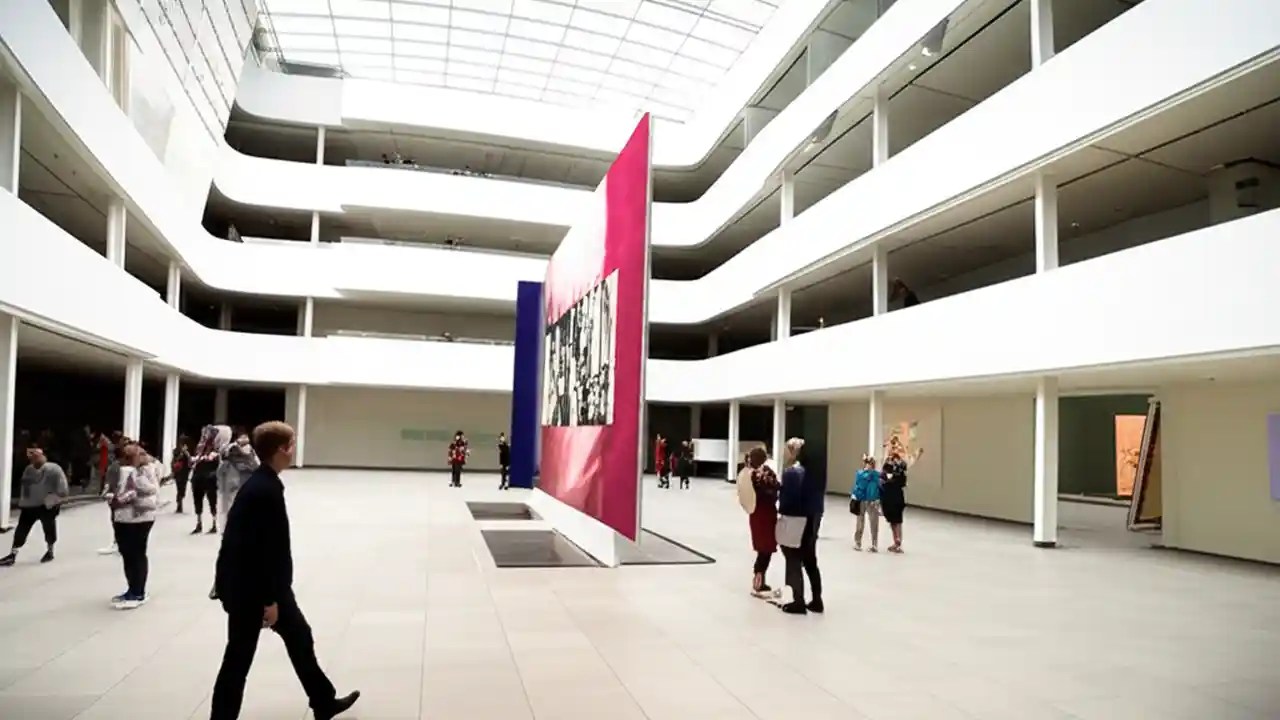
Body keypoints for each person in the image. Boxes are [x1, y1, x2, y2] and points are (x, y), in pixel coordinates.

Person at [210, 421, 360, 720]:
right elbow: (264, 550)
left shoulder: (262, 483)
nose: (294, 449)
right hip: (255, 589)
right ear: (282, 449)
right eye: (291, 444)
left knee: (298, 637)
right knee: (239, 658)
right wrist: (270, 600)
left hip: (251, 585)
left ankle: (323, 701)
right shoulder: (264, 490)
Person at [108, 443, 158, 609]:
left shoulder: (147, 470)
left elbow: (149, 489)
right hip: (123, 517)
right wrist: (112, 495)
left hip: (140, 518)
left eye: (131, 456)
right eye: (125, 455)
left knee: (136, 554)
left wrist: (133, 479)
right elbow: (113, 488)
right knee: (127, 554)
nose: (127, 459)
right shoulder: (122, 469)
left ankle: (138, 592)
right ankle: (132, 589)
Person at [776, 437, 823, 614]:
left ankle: (798, 600)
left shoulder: (792, 473)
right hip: (814, 516)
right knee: (810, 560)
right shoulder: (815, 473)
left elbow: (787, 501)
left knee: (793, 557)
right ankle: (817, 599)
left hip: (797, 519)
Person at [0, 447, 69, 566]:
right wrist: (23, 502)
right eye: (32, 458)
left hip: (47, 505)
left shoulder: (54, 469)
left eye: (37, 457)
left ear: (43, 457)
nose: (35, 460)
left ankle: (50, 550)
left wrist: (52, 502)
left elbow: (63, 489)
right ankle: (13, 554)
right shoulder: (29, 469)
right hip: (30, 505)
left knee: (49, 528)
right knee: (22, 529)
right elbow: (25, 487)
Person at [742, 446, 779, 597]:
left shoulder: (748, 474)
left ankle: (759, 578)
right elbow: (776, 488)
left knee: (762, 547)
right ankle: (759, 580)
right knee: (766, 548)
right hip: (767, 513)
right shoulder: (765, 473)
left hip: (755, 514)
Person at [881, 442, 919, 554]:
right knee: (895, 520)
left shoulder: (897, 464)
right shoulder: (894, 463)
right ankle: (896, 541)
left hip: (893, 494)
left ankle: (897, 541)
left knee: (896, 520)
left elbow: (908, 462)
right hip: (892, 494)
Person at [192, 425, 231, 535]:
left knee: (212, 500)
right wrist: (195, 459)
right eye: (204, 432)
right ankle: (199, 522)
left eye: (207, 432)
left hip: (210, 476)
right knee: (197, 498)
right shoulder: (200, 446)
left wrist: (213, 457)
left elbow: (220, 460)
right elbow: (196, 459)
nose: (204, 434)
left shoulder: (218, 447)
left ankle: (214, 523)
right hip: (198, 474)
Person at [852, 455, 882, 552]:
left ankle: (874, 544)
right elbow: (859, 484)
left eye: (871, 463)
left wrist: (878, 499)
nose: (869, 465)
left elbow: (880, 487)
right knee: (860, 522)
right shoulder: (862, 474)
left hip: (872, 500)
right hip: (863, 499)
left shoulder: (875, 475)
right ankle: (858, 542)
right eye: (868, 463)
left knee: (873, 523)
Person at [172, 435, 193, 513]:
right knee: (179, 488)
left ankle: (180, 502)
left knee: (183, 489)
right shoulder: (176, 450)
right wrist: (181, 453)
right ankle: (179, 505)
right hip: (178, 472)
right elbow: (175, 459)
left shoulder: (188, 451)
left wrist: (186, 453)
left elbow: (190, 460)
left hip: (185, 472)